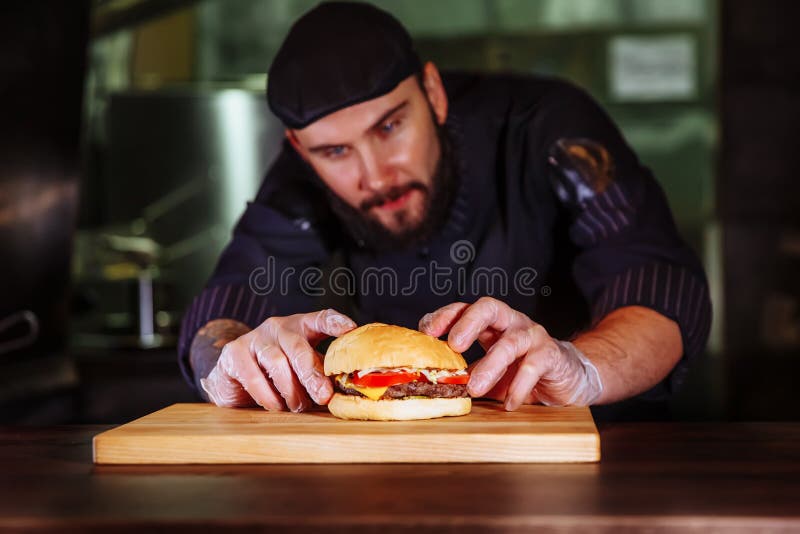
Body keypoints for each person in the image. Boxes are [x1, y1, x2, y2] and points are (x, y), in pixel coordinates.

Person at [178, 2, 711, 420]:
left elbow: (654, 282)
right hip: (398, 470)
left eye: (389, 127)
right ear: (299, 149)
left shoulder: (547, 127)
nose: (376, 173)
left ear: (432, 93)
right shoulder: (306, 175)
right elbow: (230, 298)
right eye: (336, 152)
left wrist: (583, 370)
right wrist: (226, 362)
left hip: (592, 450)